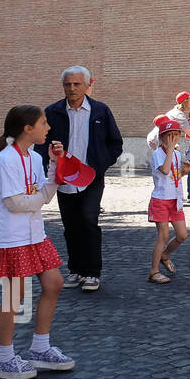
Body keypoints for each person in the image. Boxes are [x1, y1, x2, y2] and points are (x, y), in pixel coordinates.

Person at [0, 105, 76, 379]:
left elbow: (44, 189)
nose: (48, 128)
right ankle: (5, 359)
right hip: (11, 236)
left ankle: (40, 348)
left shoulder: (33, 156)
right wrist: (43, 197)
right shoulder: (5, 159)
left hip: (34, 233)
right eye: (44, 123)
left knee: (54, 283)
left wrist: (56, 164)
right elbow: (15, 202)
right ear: (27, 129)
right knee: (15, 296)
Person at [39, 67, 125, 294]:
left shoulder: (100, 111)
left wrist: (99, 166)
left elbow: (115, 144)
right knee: (70, 225)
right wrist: (49, 160)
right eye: (68, 84)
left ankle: (92, 273)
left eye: (77, 84)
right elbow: (40, 143)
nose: (72, 89)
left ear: (88, 85)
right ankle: (75, 269)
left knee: (88, 220)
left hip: (90, 178)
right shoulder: (53, 111)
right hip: (63, 179)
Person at [148, 118, 190, 284]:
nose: (173, 138)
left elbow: (174, 176)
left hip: (175, 200)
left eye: (175, 135)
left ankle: (165, 255)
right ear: (162, 137)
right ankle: (153, 271)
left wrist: (184, 173)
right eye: (169, 135)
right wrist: (171, 149)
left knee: (182, 235)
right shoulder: (158, 154)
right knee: (163, 236)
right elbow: (165, 170)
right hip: (160, 200)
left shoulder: (178, 154)